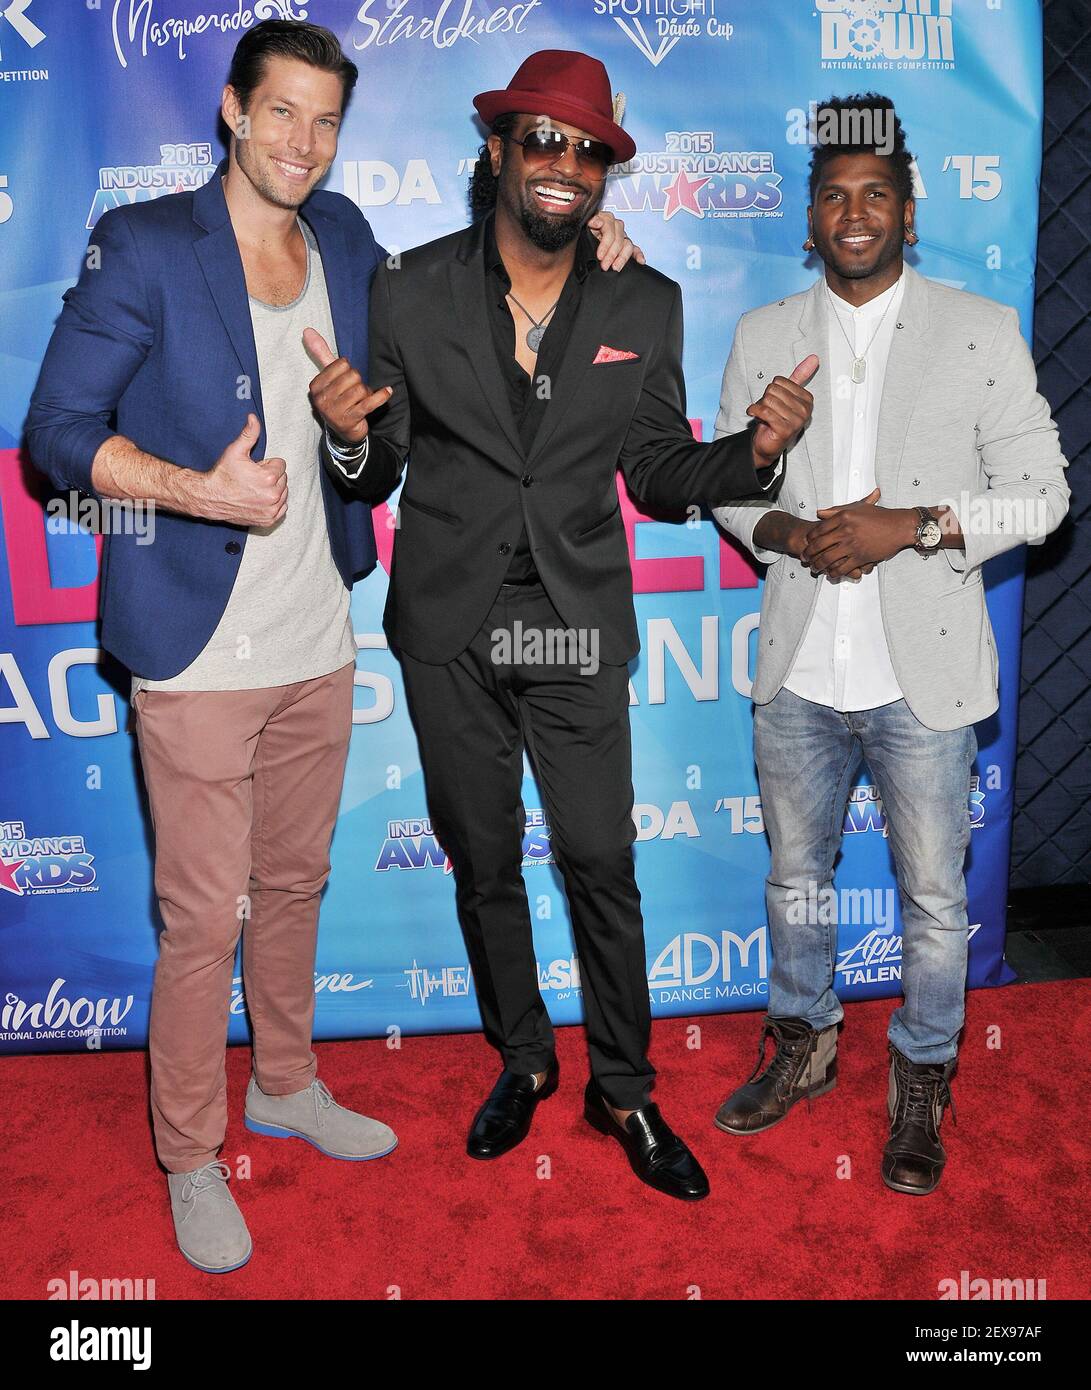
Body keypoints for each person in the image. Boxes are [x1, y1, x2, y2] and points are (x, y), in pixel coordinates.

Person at [25, 21, 644, 1272]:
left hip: (319, 634)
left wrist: (594, 243)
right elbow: (54, 433)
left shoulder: (348, 239)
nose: (303, 142)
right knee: (202, 919)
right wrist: (194, 490)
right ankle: (190, 1152)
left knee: (295, 882)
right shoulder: (144, 244)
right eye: (281, 113)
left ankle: (285, 1082)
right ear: (231, 111)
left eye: (325, 120)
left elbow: (480, 271)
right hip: (194, 648)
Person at [325, 49, 814, 1201]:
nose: (562, 163)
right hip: (449, 625)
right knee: (484, 855)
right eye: (540, 138)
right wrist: (346, 437)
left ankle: (624, 1089)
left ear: (603, 176)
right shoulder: (408, 287)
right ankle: (525, 1057)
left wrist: (749, 454)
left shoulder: (644, 301)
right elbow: (381, 463)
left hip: (571, 623)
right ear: (496, 150)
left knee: (599, 857)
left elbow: (652, 472)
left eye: (587, 149)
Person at [712, 94, 1069, 1194]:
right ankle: (803, 1041)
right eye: (835, 197)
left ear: (908, 214)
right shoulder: (762, 334)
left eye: (876, 195)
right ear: (809, 218)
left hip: (924, 679)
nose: (855, 214)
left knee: (932, 899)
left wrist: (908, 527)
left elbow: (1041, 498)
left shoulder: (977, 329)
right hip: (797, 672)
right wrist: (788, 533)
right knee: (794, 881)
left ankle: (921, 1072)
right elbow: (726, 486)